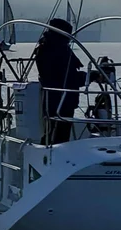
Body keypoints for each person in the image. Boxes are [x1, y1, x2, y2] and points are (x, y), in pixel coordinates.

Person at [34, 17, 87, 145]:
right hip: (60, 100)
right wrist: (90, 77)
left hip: (56, 99)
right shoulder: (56, 50)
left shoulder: (46, 48)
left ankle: (47, 149)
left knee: (52, 131)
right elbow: (67, 77)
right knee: (59, 134)